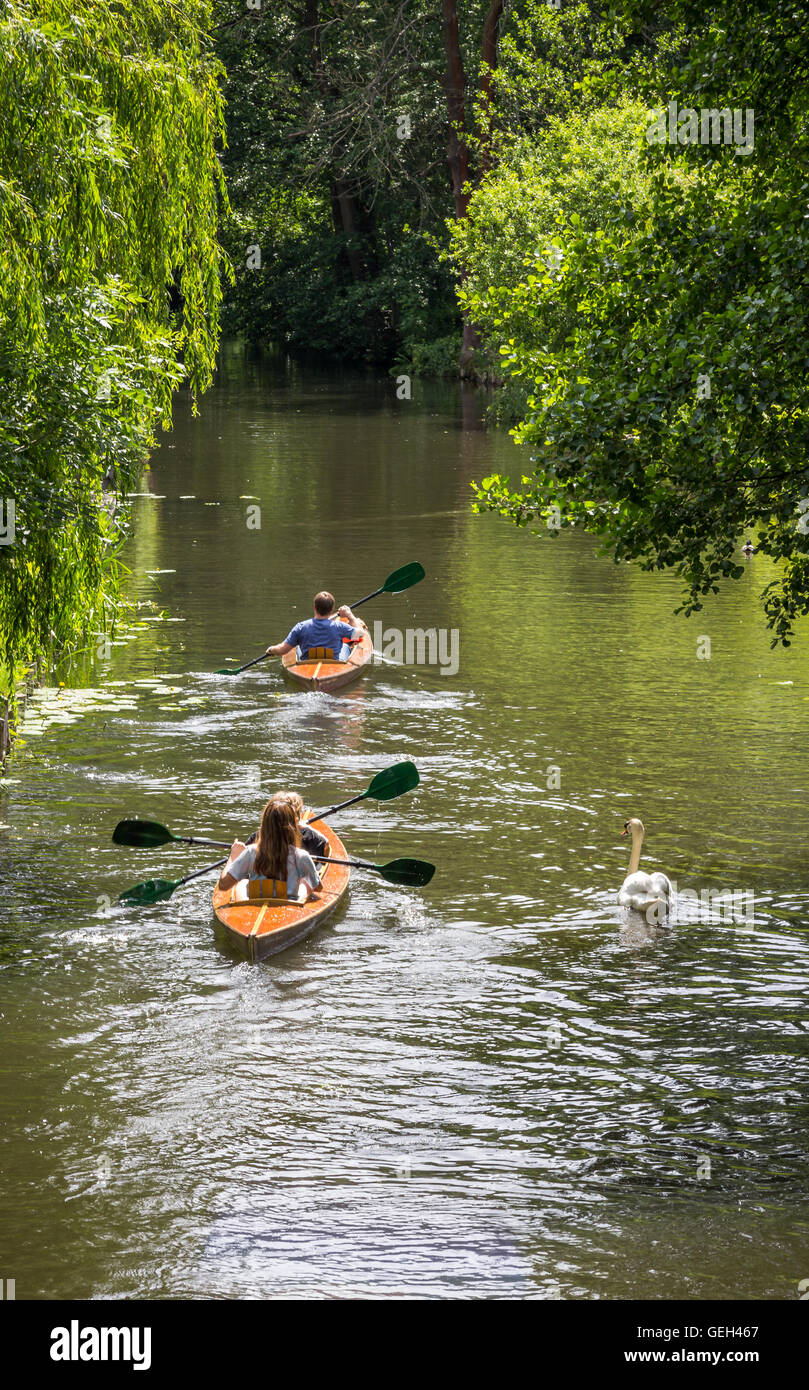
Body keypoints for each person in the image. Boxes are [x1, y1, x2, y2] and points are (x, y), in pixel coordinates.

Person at [217, 794, 320, 902]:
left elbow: (223, 885)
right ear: (293, 827)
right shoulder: (301, 856)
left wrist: (233, 857)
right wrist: (310, 873)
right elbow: (317, 887)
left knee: (242, 882)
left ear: (264, 825)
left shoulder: (251, 852)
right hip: (288, 907)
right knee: (305, 882)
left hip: (256, 903)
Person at [266, 590, 367, 663]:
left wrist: (271, 649)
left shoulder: (300, 627)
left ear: (314, 607)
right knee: (345, 645)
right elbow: (361, 635)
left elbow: (282, 650)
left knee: (297, 647)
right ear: (332, 609)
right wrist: (350, 615)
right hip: (333, 664)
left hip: (306, 665)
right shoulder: (340, 627)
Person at [281, 791, 330, 859]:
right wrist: (307, 827)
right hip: (304, 864)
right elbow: (326, 843)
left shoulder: (272, 828)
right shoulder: (306, 831)